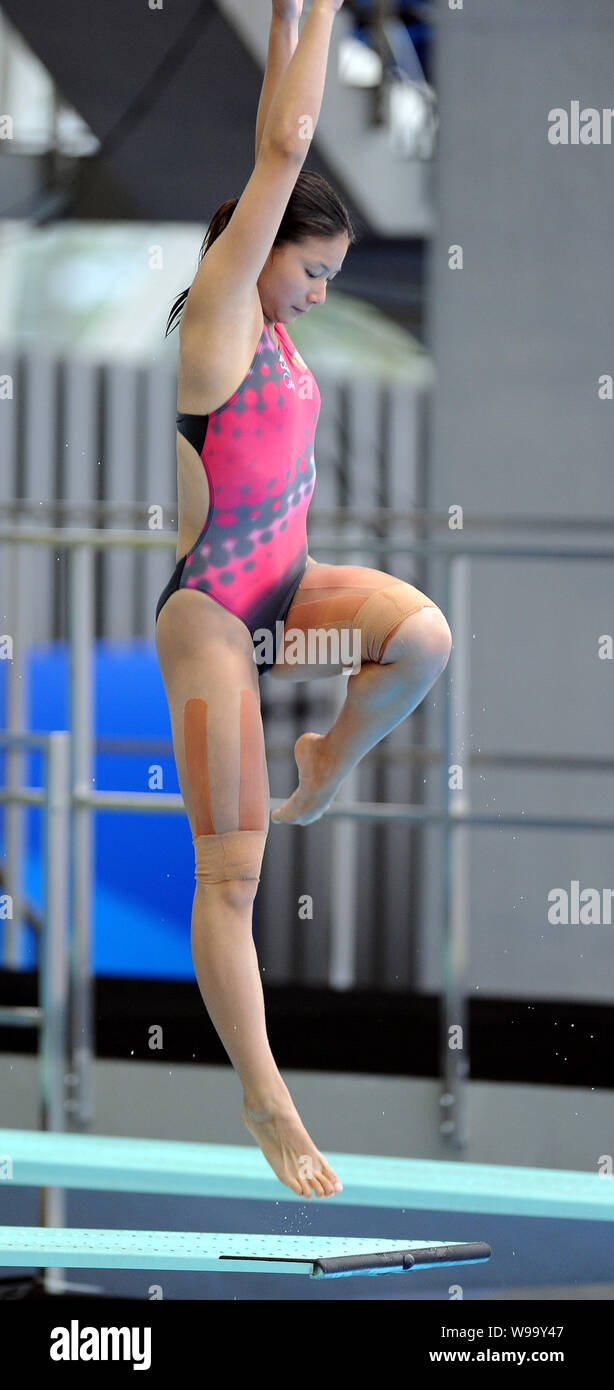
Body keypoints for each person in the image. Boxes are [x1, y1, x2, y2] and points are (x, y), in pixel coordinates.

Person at [154, 0, 452, 1201]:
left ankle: (328, 755)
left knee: (421, 637)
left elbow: (280, 153)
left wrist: (285, 19)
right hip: (216, 622)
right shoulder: (221, 318)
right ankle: (263, 1094)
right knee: (232, 872)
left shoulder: (271, 318)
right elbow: (280, 151)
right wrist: (322, 10)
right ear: (260, 252)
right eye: (315, 268)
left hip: (287, 595)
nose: (322, 290)